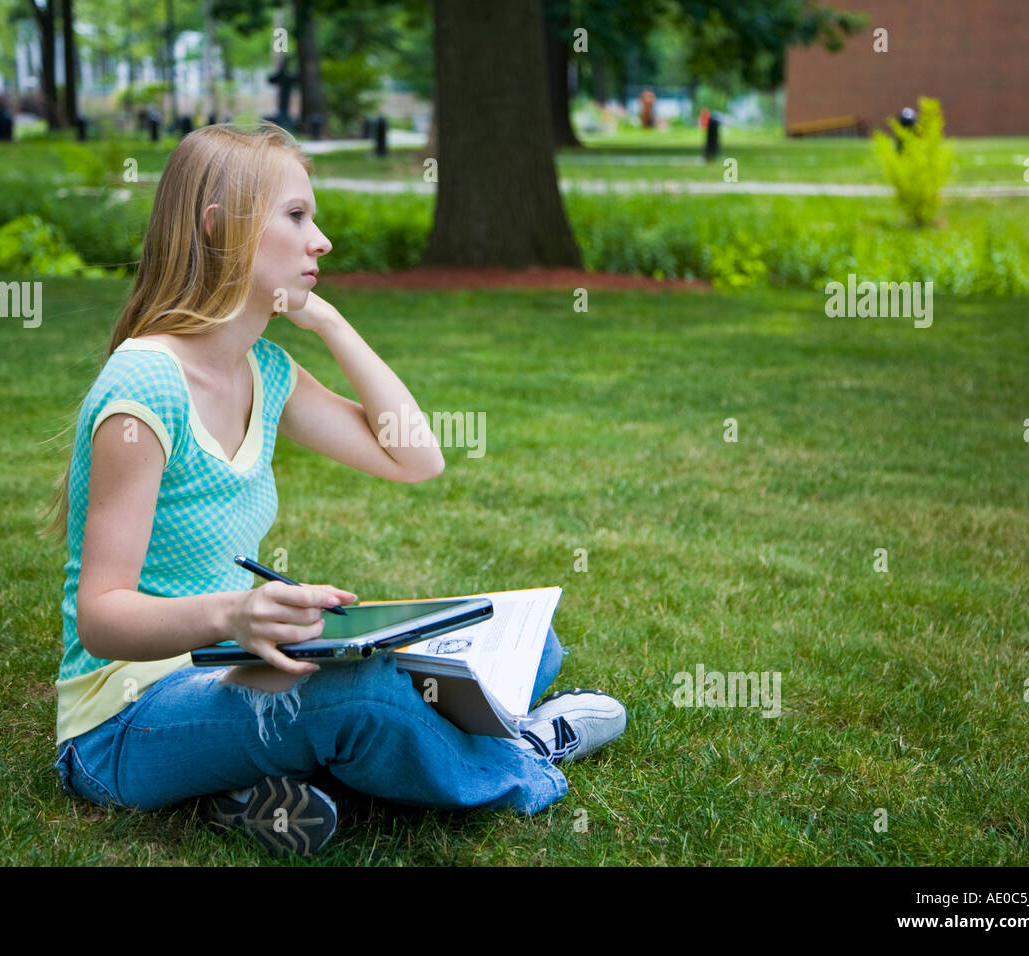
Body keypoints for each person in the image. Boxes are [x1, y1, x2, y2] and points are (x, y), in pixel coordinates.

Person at [39, 121, 627, 857]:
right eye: (296, 217)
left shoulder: (263, 369)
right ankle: (530, 756)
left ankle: (238, 794)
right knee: (369, 697)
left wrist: (330, 321)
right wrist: (235, 611)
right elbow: (101, 617)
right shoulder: (144, 386)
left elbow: (417, 459)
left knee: (526, 643)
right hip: (124, 719)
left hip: (242, 669)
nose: (321, 241)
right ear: (222, 231)